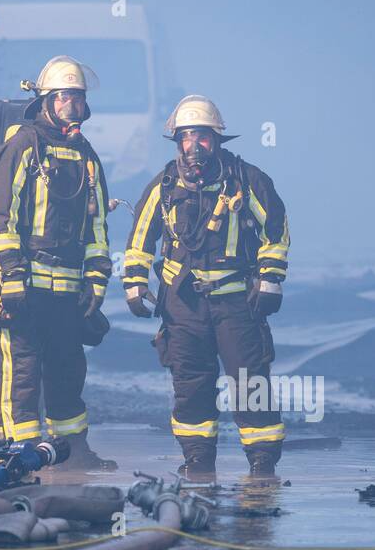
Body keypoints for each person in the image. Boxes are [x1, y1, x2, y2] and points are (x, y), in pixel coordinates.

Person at [123, 95, 290, 477]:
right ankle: (198, 460)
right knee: (190, 383)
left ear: (217, 141)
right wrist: (134, 284)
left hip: (236, 304)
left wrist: (270, 280)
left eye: (202, 138)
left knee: (250, 382)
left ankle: (262, 462)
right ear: (177, 142)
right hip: (182, 306)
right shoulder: (163, 186)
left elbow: (276, 231)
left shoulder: (248, 181)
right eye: (187, 137)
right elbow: (138, 242)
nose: (194, 147)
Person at [0, 55, 115, 469]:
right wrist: (11, 276)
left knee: (67, 371)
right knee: (23, 374)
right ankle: (19, 456)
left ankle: (73, 453)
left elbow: (97, 226)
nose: (72, 108)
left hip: (69, 290)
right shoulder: (25, 145)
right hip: (26, 286)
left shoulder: (87, 156)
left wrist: (96, 281)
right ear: (46, 100)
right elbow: (0, 214)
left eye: (78, 100)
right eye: (64, 99)